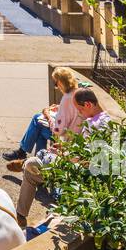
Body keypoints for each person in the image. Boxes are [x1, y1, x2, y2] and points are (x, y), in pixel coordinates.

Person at [14, 89, 111, 227]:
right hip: (74, 166)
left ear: (88, 104)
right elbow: (84, 152)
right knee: (32, 164)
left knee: (31, 166)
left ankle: (21, 216)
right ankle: (21, 215)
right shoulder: (101, 120)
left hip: (74, 172)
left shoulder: (96, 126)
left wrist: (63, 155)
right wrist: (66, 149)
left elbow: (87, 160)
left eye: (80, 110)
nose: (79, 113)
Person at [4, 67, 84, 163]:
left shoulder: (66, 98)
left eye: (56, 84)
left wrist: (48, 115)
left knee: (37, 122)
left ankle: (29, 156)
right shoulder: (79, 92)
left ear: (61, 83)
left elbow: (57, 130)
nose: (57, 87)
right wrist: (59, 107)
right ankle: (36, 161)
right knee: (39, 126)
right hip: (76, 136)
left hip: (66, 139)